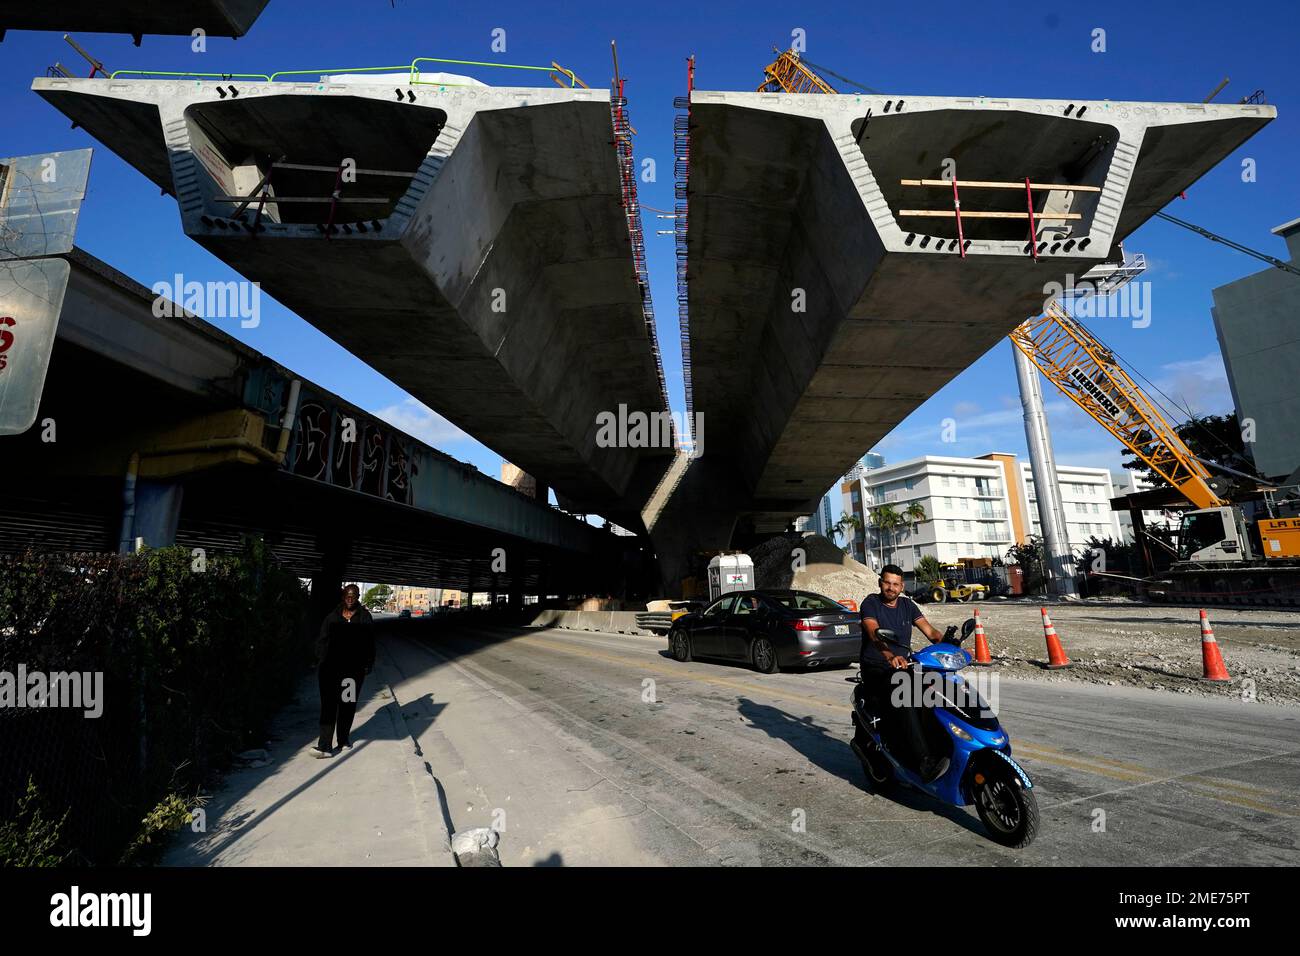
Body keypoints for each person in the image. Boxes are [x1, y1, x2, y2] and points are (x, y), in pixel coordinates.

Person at [856, 564, 951, 782]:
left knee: (939, 689)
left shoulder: (908, 606)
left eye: (895, 584)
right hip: (877, 668)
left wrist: (951, 647)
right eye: (887, 583)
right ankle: (924, 761)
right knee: (906, 695)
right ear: (880, 582)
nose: (890, 588)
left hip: (904, 666)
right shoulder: (871, 603)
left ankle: (939, 744)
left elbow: (930, 631)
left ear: (902, 586)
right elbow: (872, 631)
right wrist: (889, 656)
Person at [311, 583, 375, 758]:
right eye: (347, 596)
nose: (350, 599)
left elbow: (370, 643)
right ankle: (324, 746)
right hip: (331, 670)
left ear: (358, 597)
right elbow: (321, 641)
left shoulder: (364, 617)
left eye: (353, 596)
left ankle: (343, 740)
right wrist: (319, 660)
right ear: (342, 596)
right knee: (329, 706)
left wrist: (368, 663)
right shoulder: (332, 617)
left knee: (347, 705)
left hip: (353, 672)